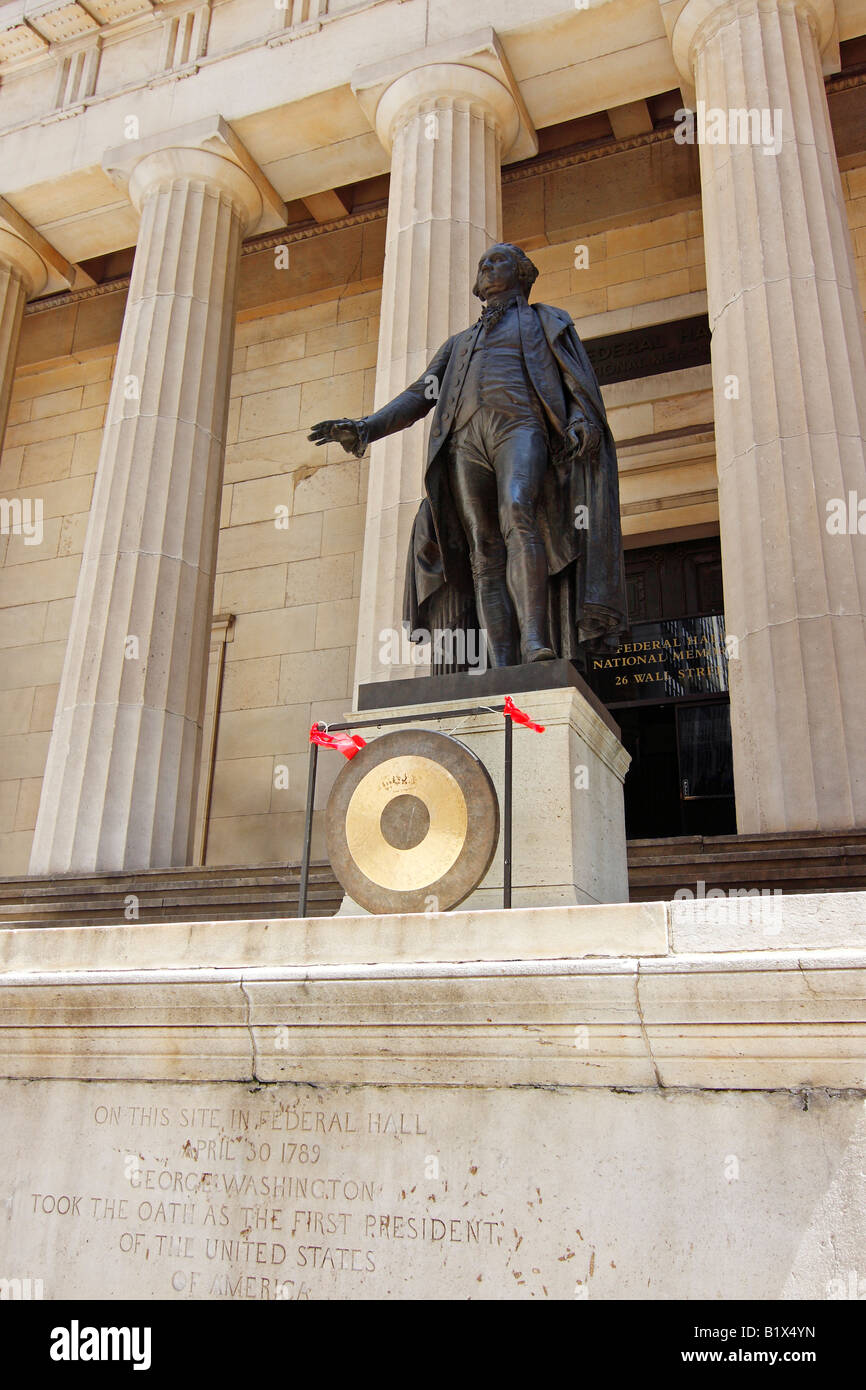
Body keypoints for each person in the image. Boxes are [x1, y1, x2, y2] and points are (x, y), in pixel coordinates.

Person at [308, 242, 627, 669]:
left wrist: (582, 418)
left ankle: (535, 641)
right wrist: (367, 427)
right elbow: (420, 394)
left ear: (521, 273)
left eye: (499, 261)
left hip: (520, 426)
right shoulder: (459, 344)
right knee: (482, 547)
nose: (488, 267)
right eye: (483, 264)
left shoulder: (546, 321)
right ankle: (502, 661)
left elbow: (575, 379)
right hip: (463, 442)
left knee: (518, 510)